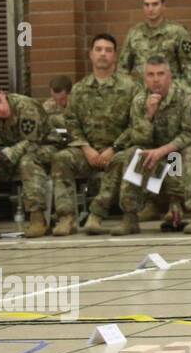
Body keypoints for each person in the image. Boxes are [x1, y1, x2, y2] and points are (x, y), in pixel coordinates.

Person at [49, 33, 139, 236]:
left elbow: (136, 124)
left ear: (115, 56)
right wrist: (86, 148)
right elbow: (71, 123)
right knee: (61, 158)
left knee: (123, 159)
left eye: (108, 50)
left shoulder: (130, 87)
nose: (103, 55)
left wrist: (114, 148)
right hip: (87, 151)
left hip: (118, 149)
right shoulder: (79, 90)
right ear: (90, 55)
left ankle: (96, 215)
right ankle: (66, 218)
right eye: (98, 50)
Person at [113, 56, 191, 234]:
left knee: (190, 152)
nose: (156, 79)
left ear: (169, 75)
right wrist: (149, 115)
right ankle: (130, 216)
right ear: (144, 78)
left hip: (181, 151)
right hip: (157, 155)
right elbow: (138, 139)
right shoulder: (140, 101)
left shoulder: (187, 97)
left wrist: (162, 150)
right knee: (134, 153)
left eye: (160, 74)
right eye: (150, 75)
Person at [0, 84, 53, 237]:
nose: (1, 108)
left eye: (0, 101)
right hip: (14, 153)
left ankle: (38, 219)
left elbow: (30, 142)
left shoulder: (25, 105)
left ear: (2, 93)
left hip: (46, 148)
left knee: (27, 160)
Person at [118, 0, 191, 87]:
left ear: (163, 5)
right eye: (146, 5)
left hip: (171, 94)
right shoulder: (134, 33)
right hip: (142, 94)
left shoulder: (178, 32)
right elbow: (123, 68)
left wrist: (184, 93)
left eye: (155, 4)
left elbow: (189, 67)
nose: (150, 9)